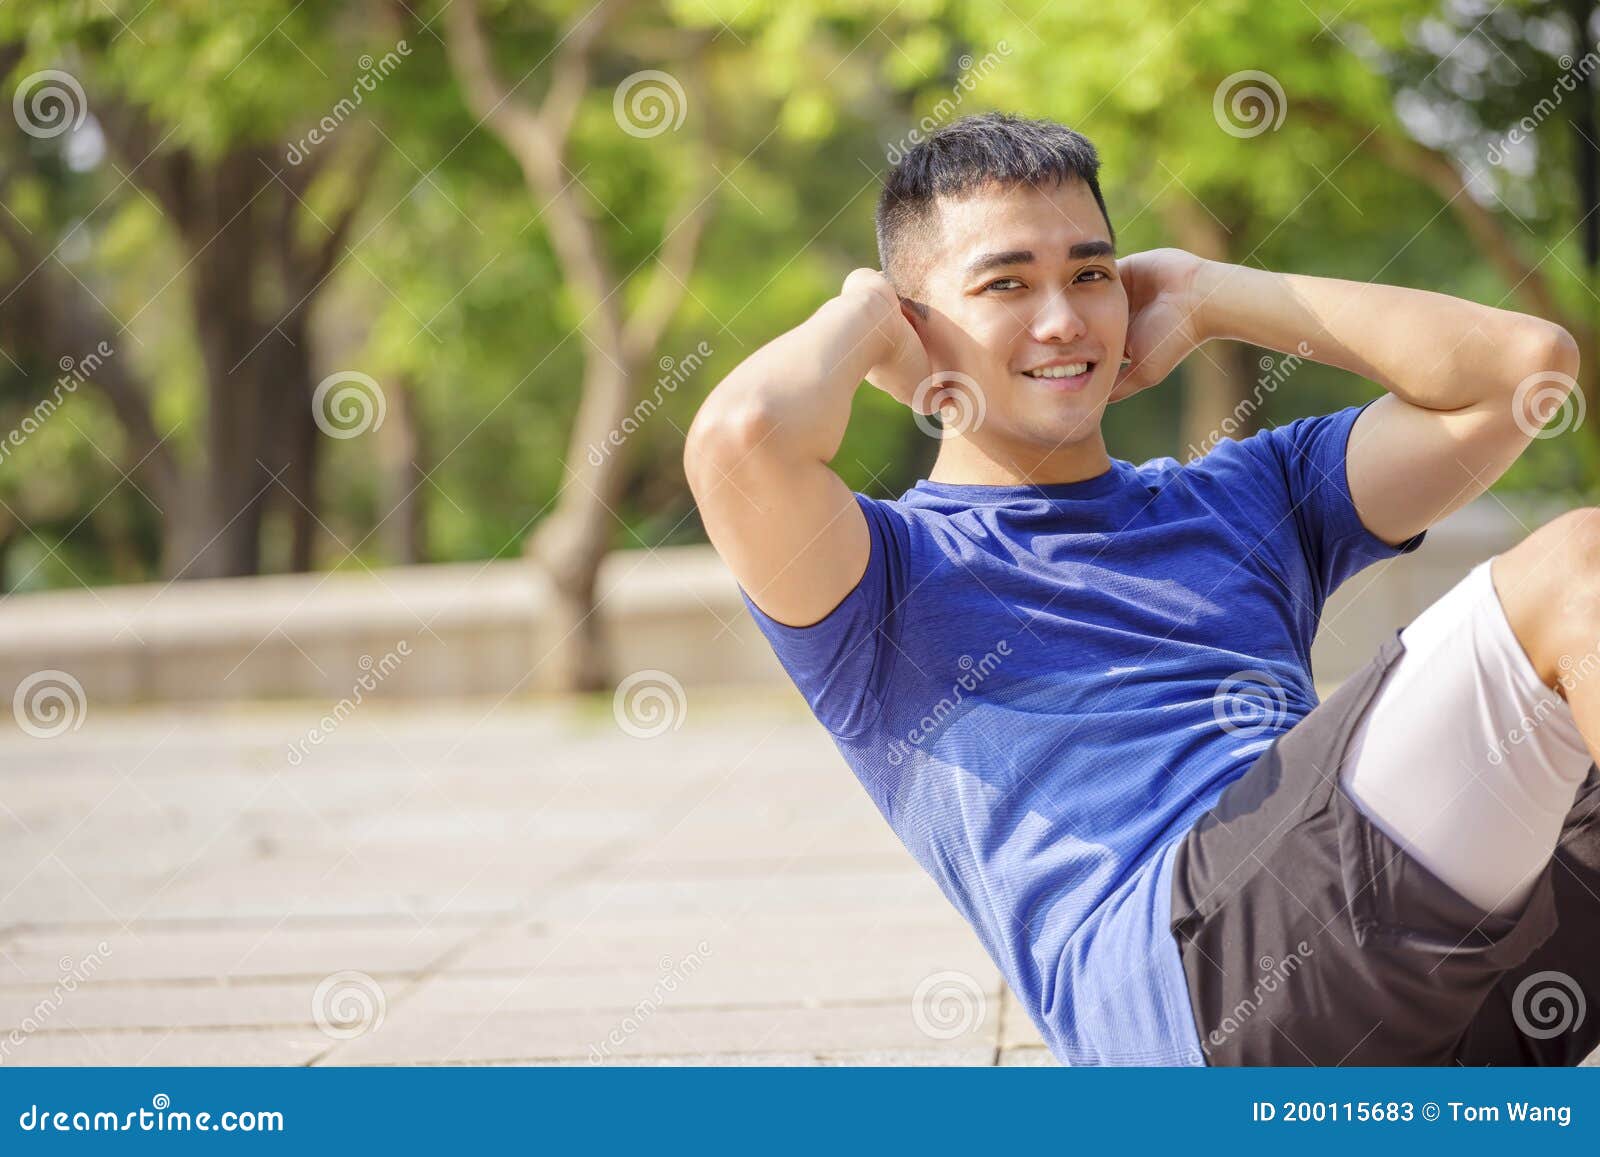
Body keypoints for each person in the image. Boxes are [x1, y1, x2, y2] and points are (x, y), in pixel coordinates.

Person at [682, 111, 1600, 1066]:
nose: (1064, 318)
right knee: (1580, 564)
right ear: (917, 329)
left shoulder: (1249, 494)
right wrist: (868, 312)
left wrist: (1211, 292)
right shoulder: (884, 578)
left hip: (1410, 983)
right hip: (1180, 992)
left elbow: (1527, 373)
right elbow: (740, 441)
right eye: (1005, 283)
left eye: (1091, 272)